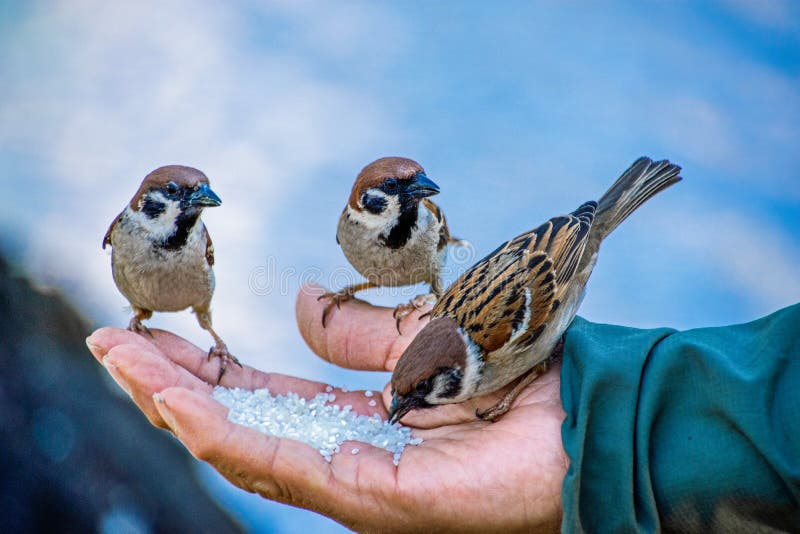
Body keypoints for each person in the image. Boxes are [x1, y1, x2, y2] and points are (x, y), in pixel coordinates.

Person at [86, 284, 800, 532]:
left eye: (416, 397)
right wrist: (614, 425)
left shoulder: (493, 349)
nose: (403, 416)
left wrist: (605, 419)